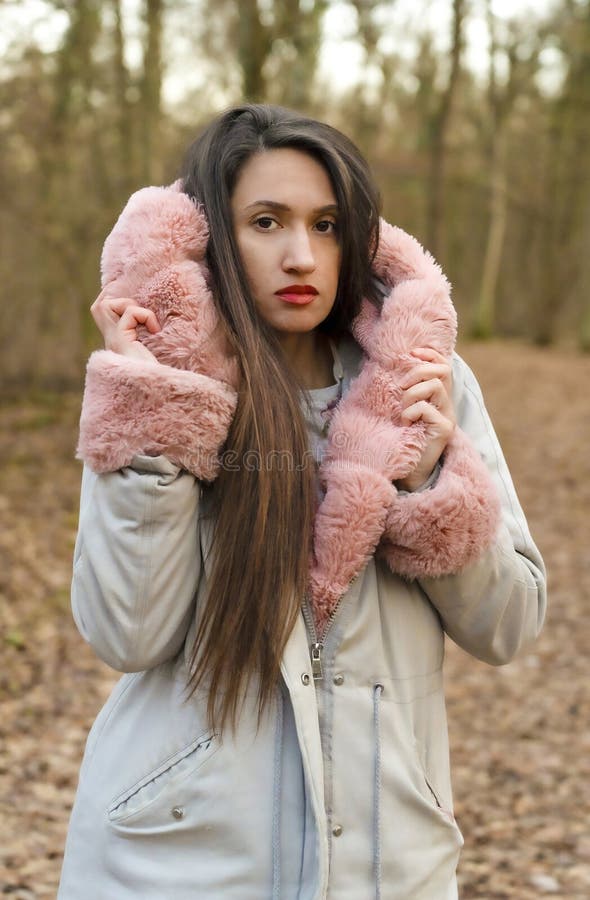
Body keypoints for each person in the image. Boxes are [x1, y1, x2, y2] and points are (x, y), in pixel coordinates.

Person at [58, 103, 546, 900]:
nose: (301, 256)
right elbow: (127, 632)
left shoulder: (425, 383)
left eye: (326, 225)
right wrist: (157, 417)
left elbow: (510, 624)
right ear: (214, 234)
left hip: (385, 864)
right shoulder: (160, 377)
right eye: (266, 222)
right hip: (182, 864)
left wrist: (426, 481)